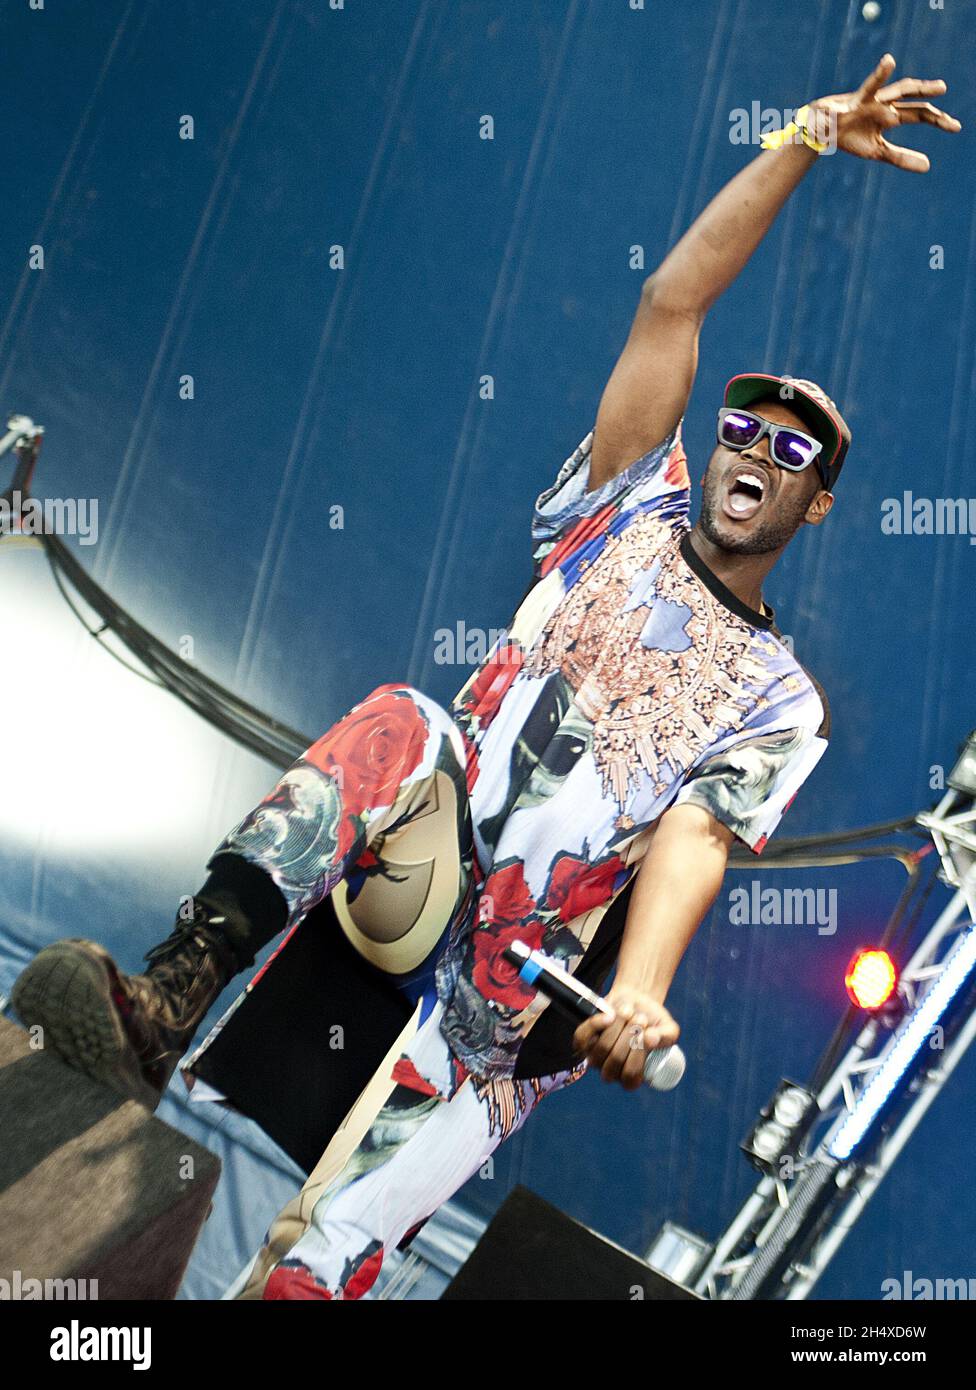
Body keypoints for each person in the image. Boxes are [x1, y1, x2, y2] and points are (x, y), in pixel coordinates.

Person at [12, 54, 959, 1300]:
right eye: (742, 427)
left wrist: (638, 994)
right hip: (428, 864)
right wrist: (799, 136)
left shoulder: (783, 698)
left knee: (329, 1261)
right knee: (405, 718)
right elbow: (672, 305)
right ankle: (170, 993)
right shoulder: (632, 500)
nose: (753, 451)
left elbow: (697, 836)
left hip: (519, 986)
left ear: (816, 500)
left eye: (791, 449)